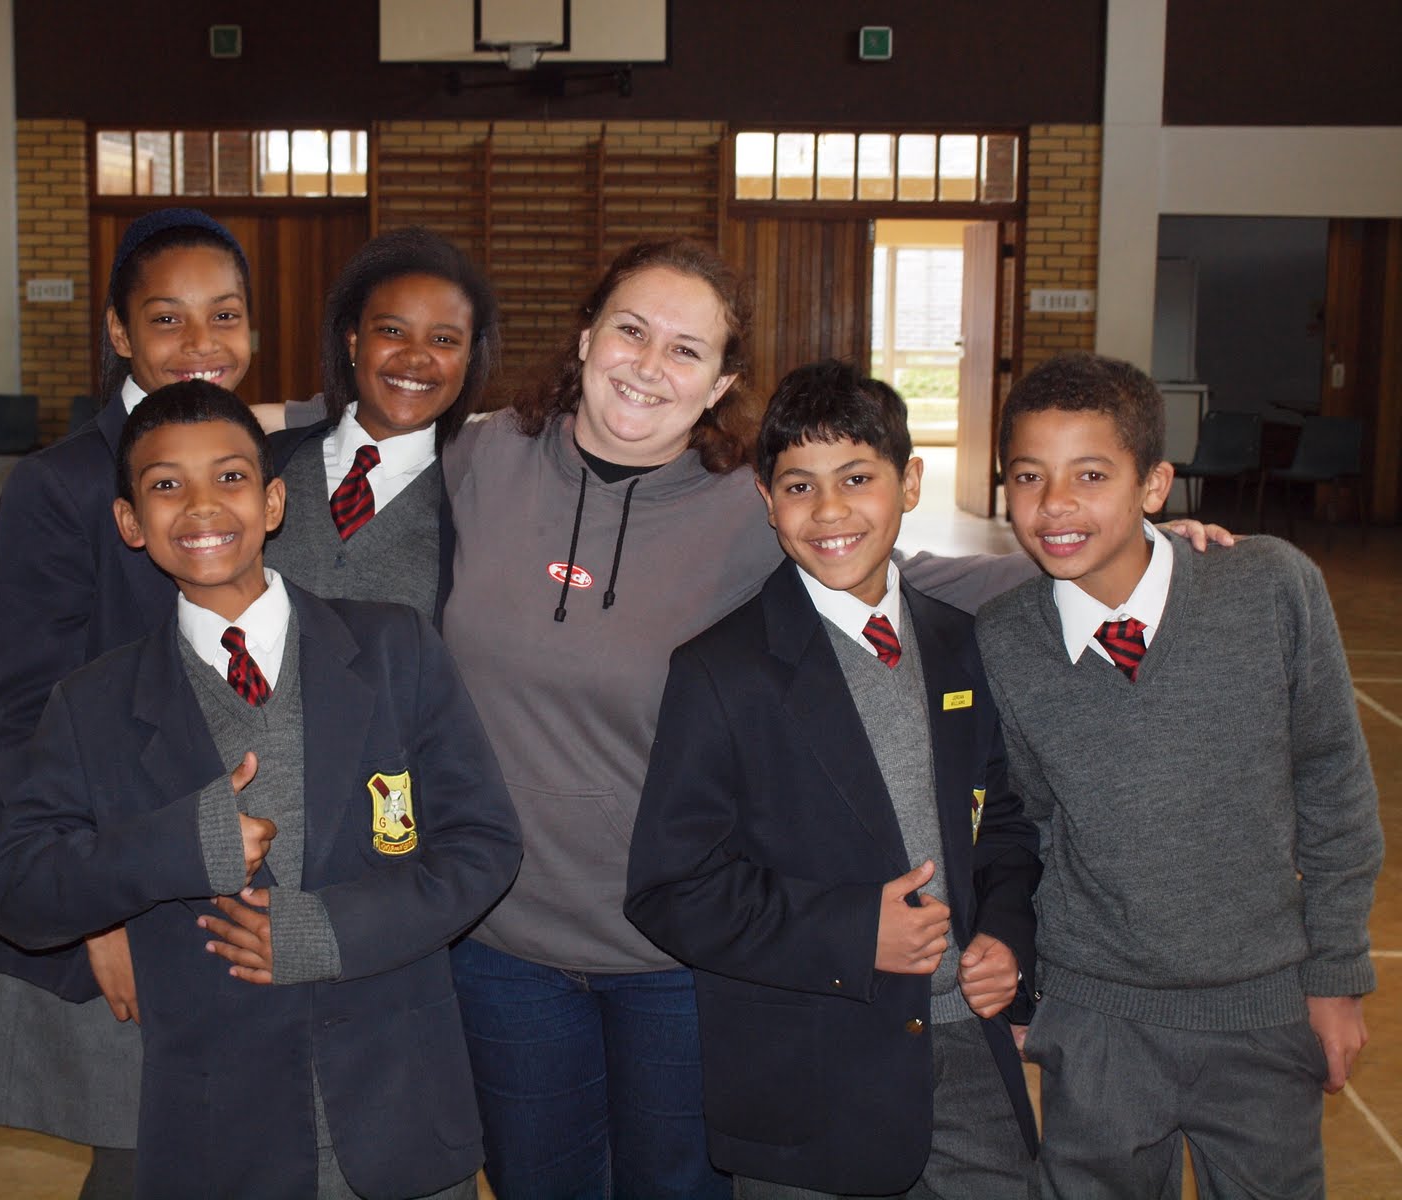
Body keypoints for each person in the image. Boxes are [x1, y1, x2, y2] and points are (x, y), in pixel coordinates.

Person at [439, 239, 1236, 1200]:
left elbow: (900, 573)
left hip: (676, 964)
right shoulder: (483, 456)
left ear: (720, 381)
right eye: (631, 332)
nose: (650, 366)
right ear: (585, 338)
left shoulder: (749, 500)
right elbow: (349, 451)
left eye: (687, 350)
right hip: (503, 941)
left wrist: (1128, 545)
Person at [0, 381, 523, 1200]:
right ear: (130, 522)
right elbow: (17, 895)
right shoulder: (92, 704)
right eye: (165, 486)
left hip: (399, 1115)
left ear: (273, 502)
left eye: (230, 478)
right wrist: (174, 847)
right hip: (215, 1139)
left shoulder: (392, 649)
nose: (200, 506)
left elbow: (482, 847)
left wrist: (326, 930)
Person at [625, 360, 1040, 1199]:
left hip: (966, 1059)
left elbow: (1000, 825)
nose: (831, 512)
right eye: (799, 487)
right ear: (766, 502)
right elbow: (671, 889)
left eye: (858, 478)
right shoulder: (722, 672)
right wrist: (855, 932)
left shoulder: (963, 643)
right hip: (811, 1077)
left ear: (910, 481)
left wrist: (1005, 937)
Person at [973, 353, 1382, 1200]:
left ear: (1155, 485)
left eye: (1091, 474)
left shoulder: (1269, 587)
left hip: (1261, 1012)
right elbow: (1030, 828)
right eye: (1028, 476)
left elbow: (1334, 788)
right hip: (1098, 1020)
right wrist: (1032, 985)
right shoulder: (1004, 639)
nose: (1055, 505)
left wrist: (1336, 978)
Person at [0, 207, 254, 1198]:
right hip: (120, 882)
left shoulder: (264, 469)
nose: (201, 344)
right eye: (167, 319)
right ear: (121, 333)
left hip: (237, 881)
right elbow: (25, 720)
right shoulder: (62, 485)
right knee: (142, 1160)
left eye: (226, 316)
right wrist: (95, 910)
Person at [264, 227, 498, 621]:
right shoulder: (267, 463)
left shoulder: (477, 504)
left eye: (443, 340)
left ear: (470, 359)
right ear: (354, 342)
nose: (415, 358)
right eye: (392, 331)